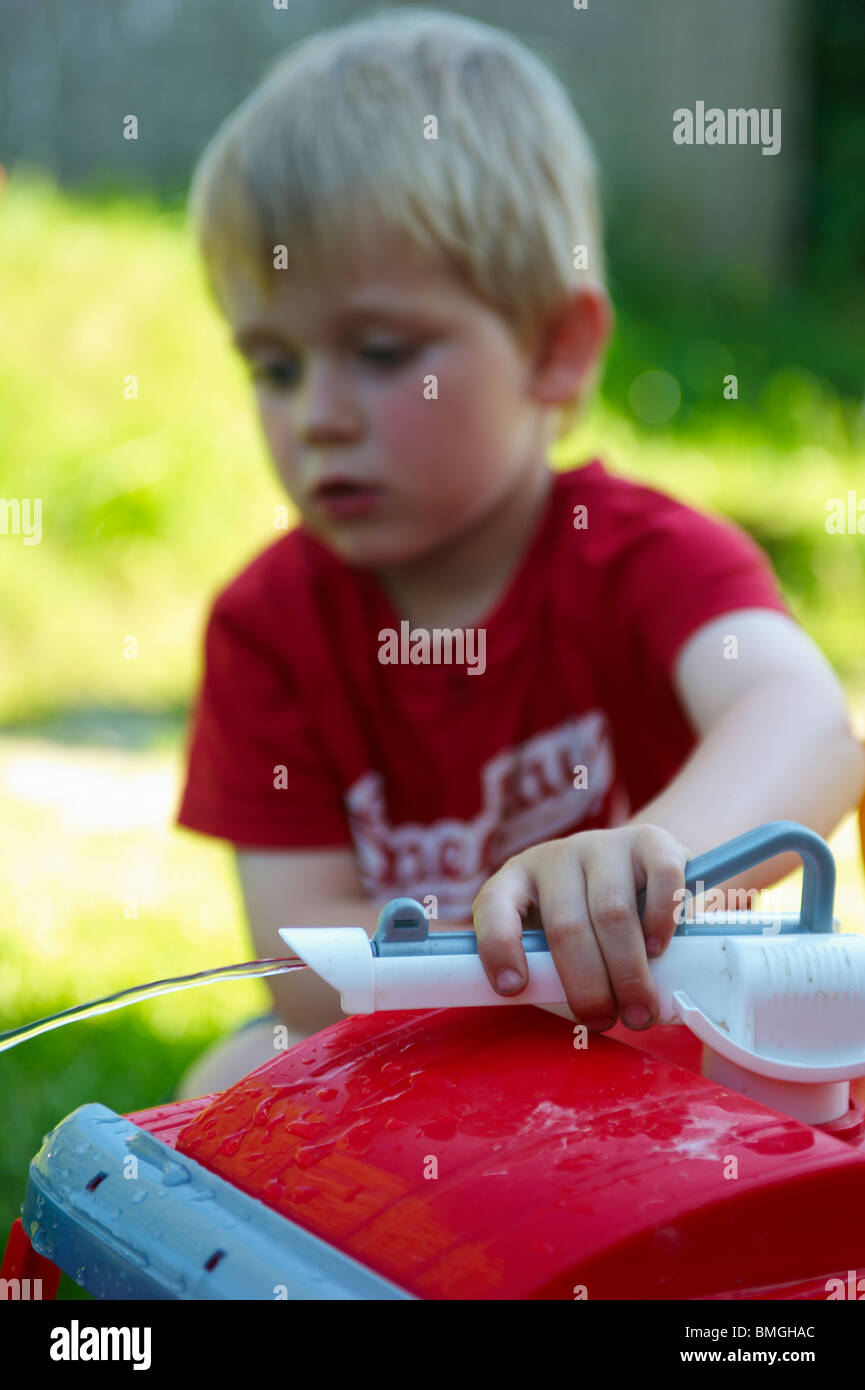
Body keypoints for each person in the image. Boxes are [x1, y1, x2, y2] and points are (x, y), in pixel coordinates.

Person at [173, 8, 864, 1098]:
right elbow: (297, 965)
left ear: (556, 347)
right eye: (274, 365)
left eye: (383, 352)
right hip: (417, 1054)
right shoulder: (269, 624)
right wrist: (513, 947)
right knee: (226, 1076)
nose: (317, 416)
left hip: (651, 1028)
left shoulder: (644, 558)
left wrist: (646, 862)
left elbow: (805, 723)